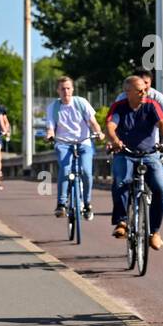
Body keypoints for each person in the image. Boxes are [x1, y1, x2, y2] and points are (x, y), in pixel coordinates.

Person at [105, 75, 163, 250]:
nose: (144, 93)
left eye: (145, 89)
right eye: (139, 90)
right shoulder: (119, 107)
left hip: (150, 154)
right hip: (125, 153)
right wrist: (116, 140)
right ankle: (122, 222)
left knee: (161, 190)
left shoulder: (151, 105)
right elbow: (110, 126)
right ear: (128, 92)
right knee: (120, 182)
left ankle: (154, 232)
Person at [45, 76, 105, 219]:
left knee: (86, 171)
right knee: (65, 169)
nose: (65, 91)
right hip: (63, 143)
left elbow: (93, 122)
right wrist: (50, 135)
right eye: (62, 89)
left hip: (83, 142)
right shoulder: (53, 107)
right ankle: (61, 204)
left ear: (72, 89)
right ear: (57, 91)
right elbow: (50, 127)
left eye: (68, 88)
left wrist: (99, 132)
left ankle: (87, 203)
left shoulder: (81, 103)